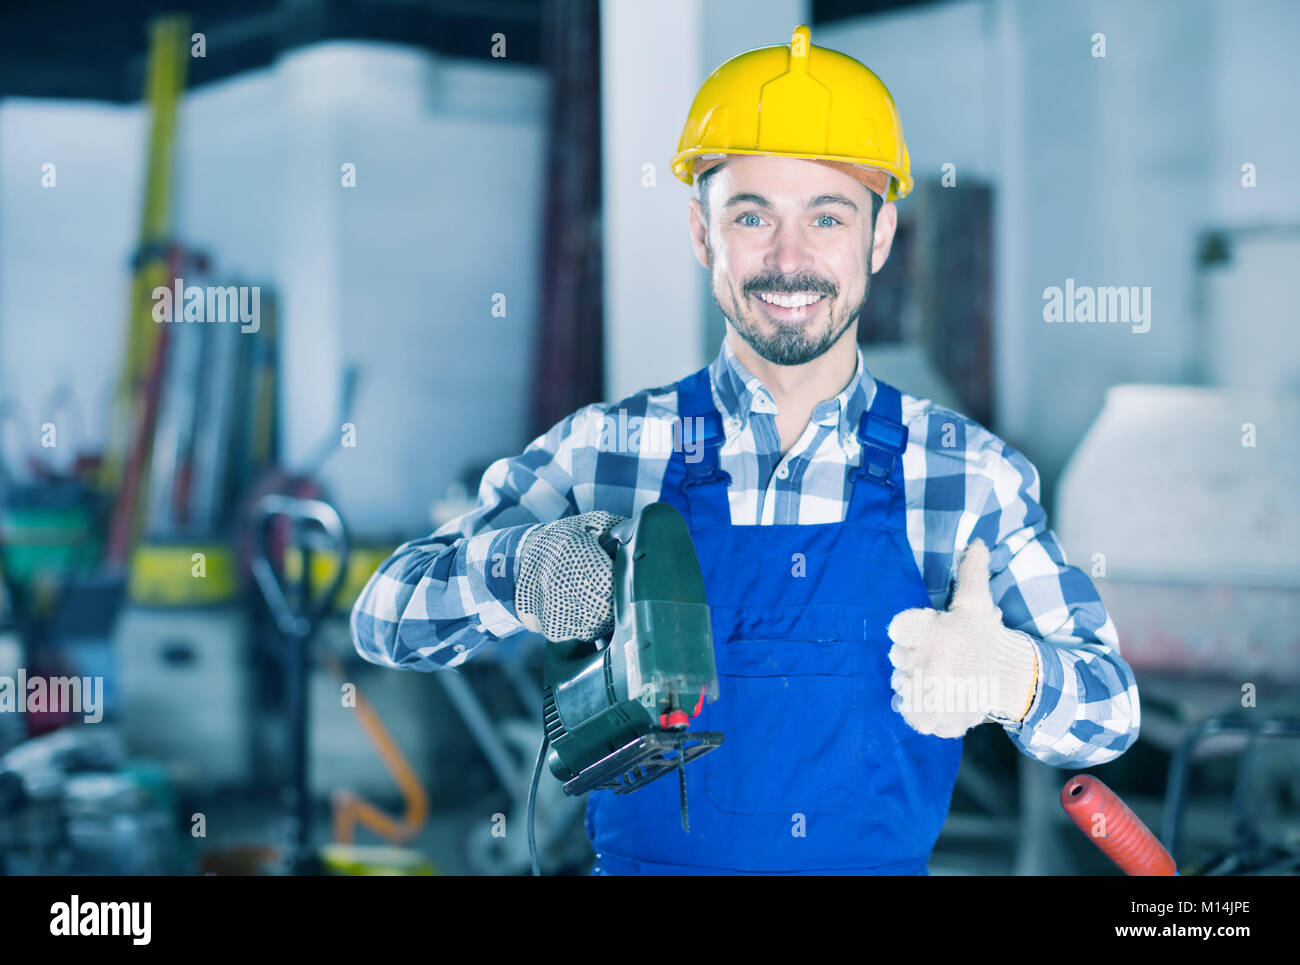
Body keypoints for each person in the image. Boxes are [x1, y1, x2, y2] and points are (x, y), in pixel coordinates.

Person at [351, 24, 1139, 875]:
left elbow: (1112, 709)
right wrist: (518, 570)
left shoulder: (962, 474)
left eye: (828, 217)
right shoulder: (607, 452)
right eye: (751, 215)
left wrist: (1012, 674)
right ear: (702, 234)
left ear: (879, 238)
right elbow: (384, 619)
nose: (789, 259)